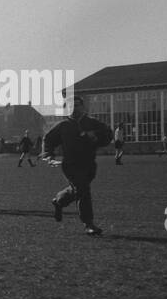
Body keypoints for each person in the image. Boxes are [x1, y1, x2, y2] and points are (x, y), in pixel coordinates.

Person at [42, 94, 114, 237]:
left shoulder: (93, 123)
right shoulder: (63, 126)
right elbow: (48, 140)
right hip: (70, 165)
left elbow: (108, 134)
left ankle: (59, 201)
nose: (74, 109)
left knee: (78, 189)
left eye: (77, 105)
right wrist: (48, 155)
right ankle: (89, 224)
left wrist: (96, 135)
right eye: (70, 106)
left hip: (89, 165)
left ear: (83, 107)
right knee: (82, 189)